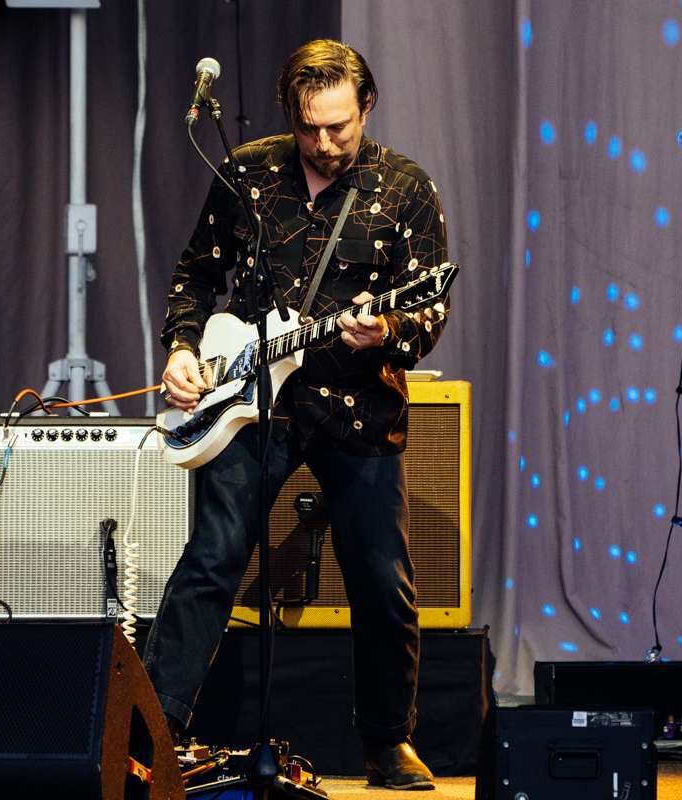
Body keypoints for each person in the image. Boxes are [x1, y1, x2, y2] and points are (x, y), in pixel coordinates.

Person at [143, 39, 450, 790]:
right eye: (311, 127)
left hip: (357, 406)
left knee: (382, 580)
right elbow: (195, 276)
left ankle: (387, 742)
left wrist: (391, 331)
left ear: (365, 108)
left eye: (340, 127)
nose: (325, 143)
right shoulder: (247, 171)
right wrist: (183, 347)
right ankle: (149, 728)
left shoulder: (406, 190)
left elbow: (431, 307)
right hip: (253, 405)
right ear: (291, 113)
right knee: (212, 560)